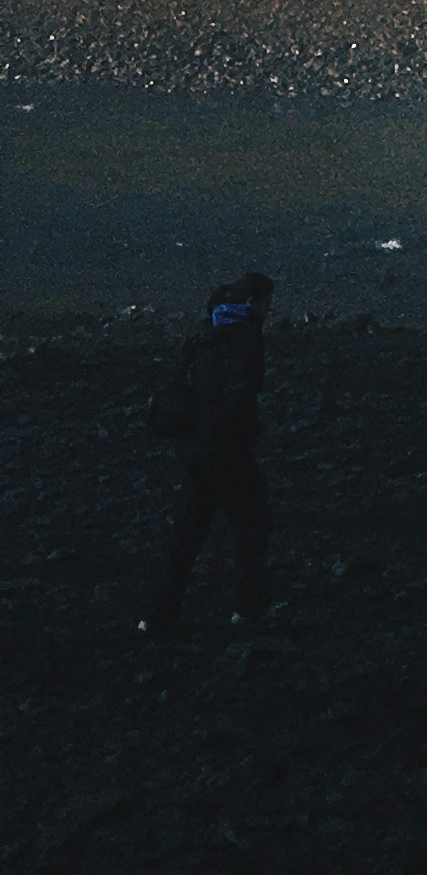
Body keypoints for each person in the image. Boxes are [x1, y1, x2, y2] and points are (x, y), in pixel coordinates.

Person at [137, 268, 279, 636]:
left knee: (187, 534)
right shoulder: (243, 337)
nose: (268, 312)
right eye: (267, 304)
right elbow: (239, 397)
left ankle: (155, 617)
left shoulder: (205, 333)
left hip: (195, 450)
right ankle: (248, 611)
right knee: (253, 523)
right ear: (253, 302)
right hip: (226, 451)